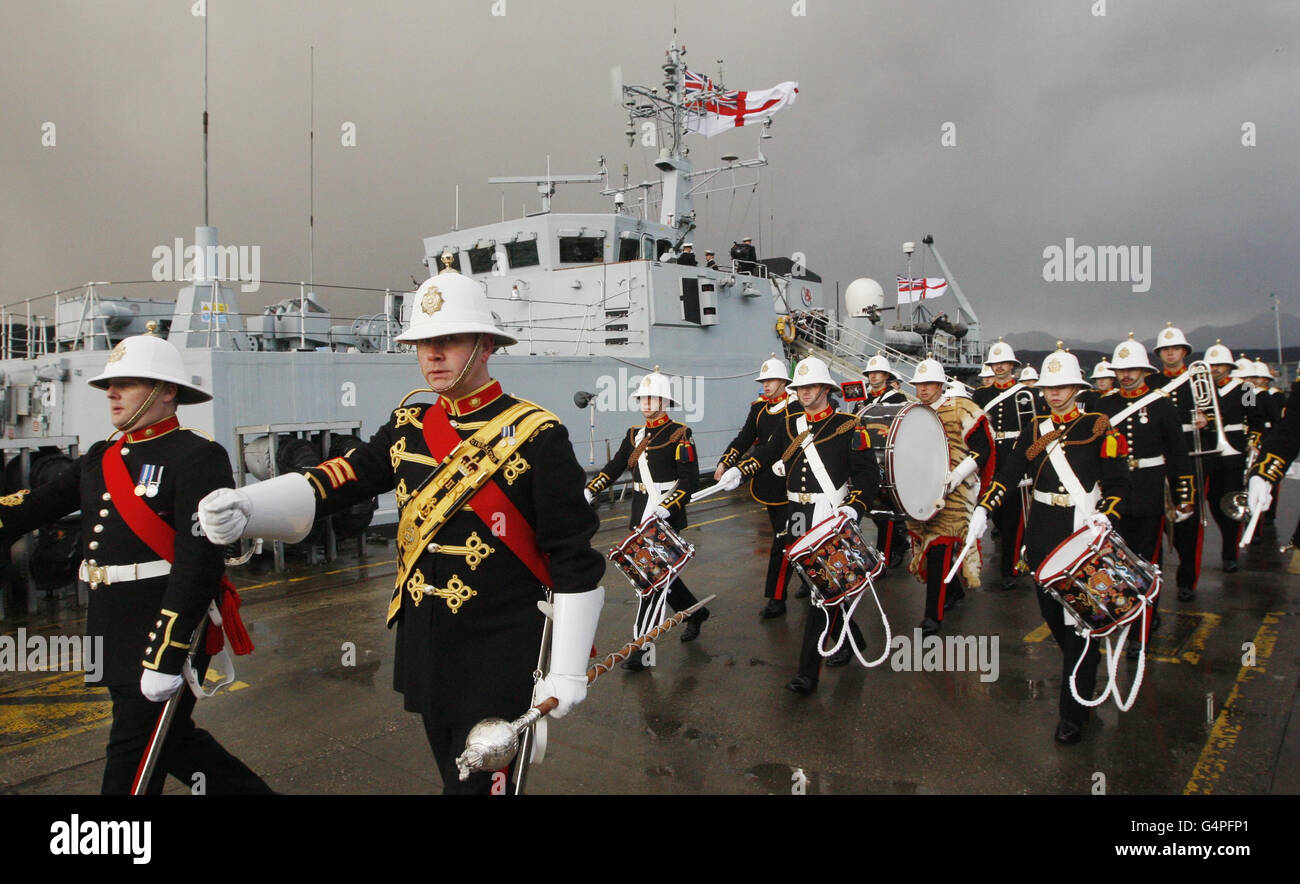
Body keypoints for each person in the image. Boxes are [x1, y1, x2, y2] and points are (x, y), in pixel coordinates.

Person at [198, 256, 606, 795]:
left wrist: (568, 667)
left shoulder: (537, 435)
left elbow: (572, 555)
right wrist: (251, 506)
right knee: (452, 777)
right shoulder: (409, 425)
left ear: (486, 345)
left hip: (501, 656)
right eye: (423, 343)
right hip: (428, 649)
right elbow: (344, 477)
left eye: (449, 340)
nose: (432, 354)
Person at [0, 328, 270, 794]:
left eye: (126, 383)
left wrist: (167, 652)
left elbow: (199, 563)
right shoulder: (101, 457)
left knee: (132, 760)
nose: (111, 392)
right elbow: (34, 506)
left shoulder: (198, 456)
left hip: (161, 628)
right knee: (171, 743)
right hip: (110, 627)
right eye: (110, 383)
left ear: (166, 391)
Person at [966, 345, 1130, 744]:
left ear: (1076, 388)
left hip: (1081, 534)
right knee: (1055, 619)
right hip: (1042, 537)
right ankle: (1083, 674)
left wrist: (1107, 515)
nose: (1054, 394)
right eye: (1049, 388)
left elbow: (1118, 484)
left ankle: (1073, 714)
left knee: (1079, 629)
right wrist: (985, 508)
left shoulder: (1097, 426)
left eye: (1062, 387)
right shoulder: (1035, 428)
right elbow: (1009, 473)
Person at [722, 356, 878, 694]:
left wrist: (854, 509)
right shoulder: (791, 425)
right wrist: (740, 470)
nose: (804, 392)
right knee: (817, 582)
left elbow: (868, 477)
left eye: (811, 386)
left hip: (830, 513)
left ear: (825, 389)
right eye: (800, 387)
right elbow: (766, 452)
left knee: (820, 591)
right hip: (796, 512)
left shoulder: (850, 425)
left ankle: (808, 673)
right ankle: (853, 639)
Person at [586, 367, 708, 668]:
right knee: (662, 578)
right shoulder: (634, 435)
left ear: (664, 402)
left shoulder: (680, 434)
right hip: (640, 516)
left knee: (651, 583)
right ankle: (696, 612)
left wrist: (669, 506)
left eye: (652, 398)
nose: (646, 403)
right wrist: (590, 489)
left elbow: (689, 481)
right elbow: (615, 467)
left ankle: (642, 649)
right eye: (643, 398)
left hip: (665, 517)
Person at [1096, 335, 1194, 651]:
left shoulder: (1161, 404)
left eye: (1132, 369)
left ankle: (1143, 628)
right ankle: (1127, 615)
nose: (1126, 375)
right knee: (1116, 562)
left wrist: (1184, 496)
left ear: (1144, 371)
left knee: (1147, 563)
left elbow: (1178, 454)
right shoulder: (1104, 405)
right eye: (1121, 370)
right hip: (1115, 496)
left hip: (1150, 492)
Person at [905, 358, 993, 636]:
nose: (923, 389)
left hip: (954, 495)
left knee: (940, 546)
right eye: (919, 384)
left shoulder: (962, 409)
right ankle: (953, 590)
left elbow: (983, 450)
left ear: (941, 384)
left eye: (929, 383)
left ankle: (933, 616)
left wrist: (958, 474)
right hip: (921, 491)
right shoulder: (912, 412)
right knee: (927, 546)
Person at [715, 354, 802, 619]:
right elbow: (744, 438)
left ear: (784, 381)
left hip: (794, 482)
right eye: (763, 380)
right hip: (768, 484)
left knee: (786, 539)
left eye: (771, 380)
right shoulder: (759, 409)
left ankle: (777, 597)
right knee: (788, 538)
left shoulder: (796, 407)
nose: (765, 384)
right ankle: (806, 581)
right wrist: (725, 462)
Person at [1144, 322, 1208, 601]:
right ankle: (1151, 587)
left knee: (1187, 526)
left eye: (1175, 348)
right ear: (1159, 354)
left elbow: (1217, 414)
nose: (1170, 353)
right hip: (1157, 460)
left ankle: (1187, 580)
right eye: (1165, 349)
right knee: (1153, 526)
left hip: (1188, 458)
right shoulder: (1151, 384)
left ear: (1184, 352)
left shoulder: (1199, 380)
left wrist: (1207, 419)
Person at [972, 339, 1040, 590]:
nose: (999, 367)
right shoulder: (981, 395)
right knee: (996, 516)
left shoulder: (1027, 394)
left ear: (1012, 365)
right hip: (991, 459)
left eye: (1004, 363)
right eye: (995, 364)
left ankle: (1010, 568)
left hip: (1015, 459)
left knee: (1013, 518)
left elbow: (1034, 431)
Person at [855, 353, 910, 570]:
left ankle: (889, 550)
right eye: (871, 373)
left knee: (888, 506)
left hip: (887, 457)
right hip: (867, 456)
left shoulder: (897, 398)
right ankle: (898, 543)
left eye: (878, 373)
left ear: (887, 376)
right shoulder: (864, 399)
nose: (874, 376)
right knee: (874, 508)